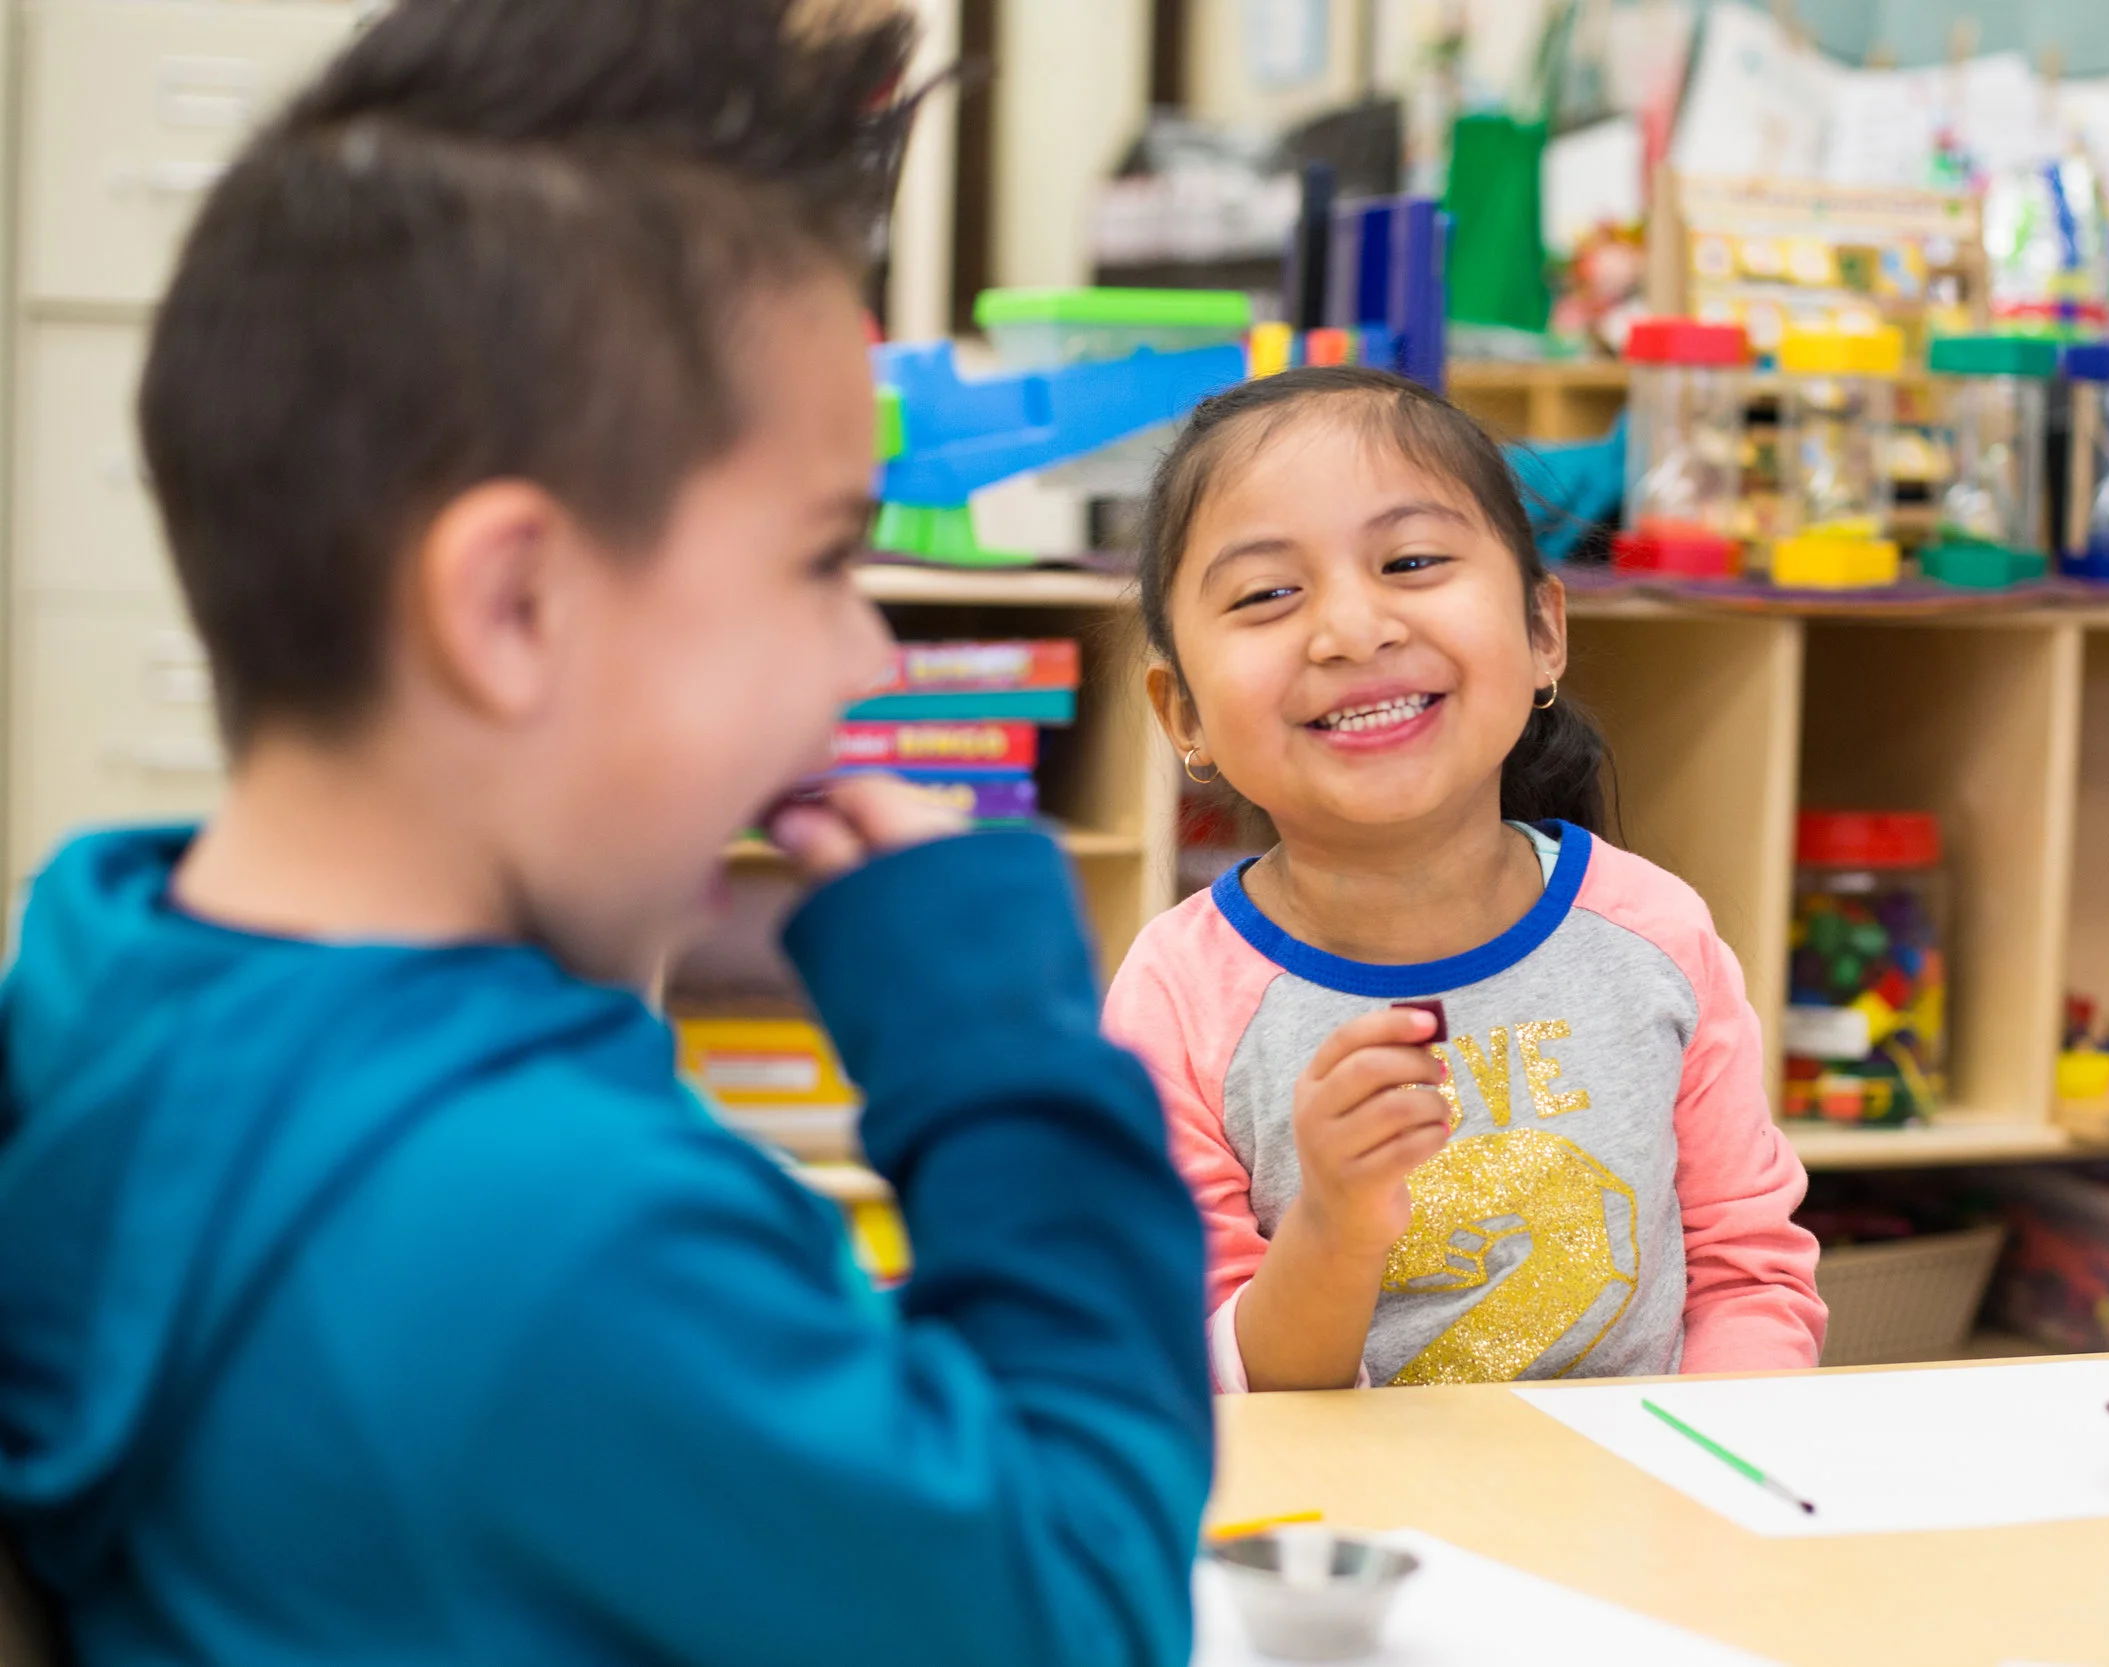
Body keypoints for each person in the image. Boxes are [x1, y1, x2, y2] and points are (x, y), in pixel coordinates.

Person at [0, 3, 1210, 1662]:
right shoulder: (565, 1238)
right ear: (514, 607)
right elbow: (1083, 1611)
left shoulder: (90, 979)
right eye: (821, 558)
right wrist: (1000, 1043)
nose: (868, 654)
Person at [1104, 366, 1825, 1393]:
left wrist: (1715, 1461)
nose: (1354, 629)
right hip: (1334, 1498)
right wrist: (1334, 1224)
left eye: (1411, 561)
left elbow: (1748, 1276)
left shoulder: (1653, 931)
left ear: (1542, 632)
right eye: (1267, 594)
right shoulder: (1179, 997)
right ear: (1183, 713)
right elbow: (1226, 1382)